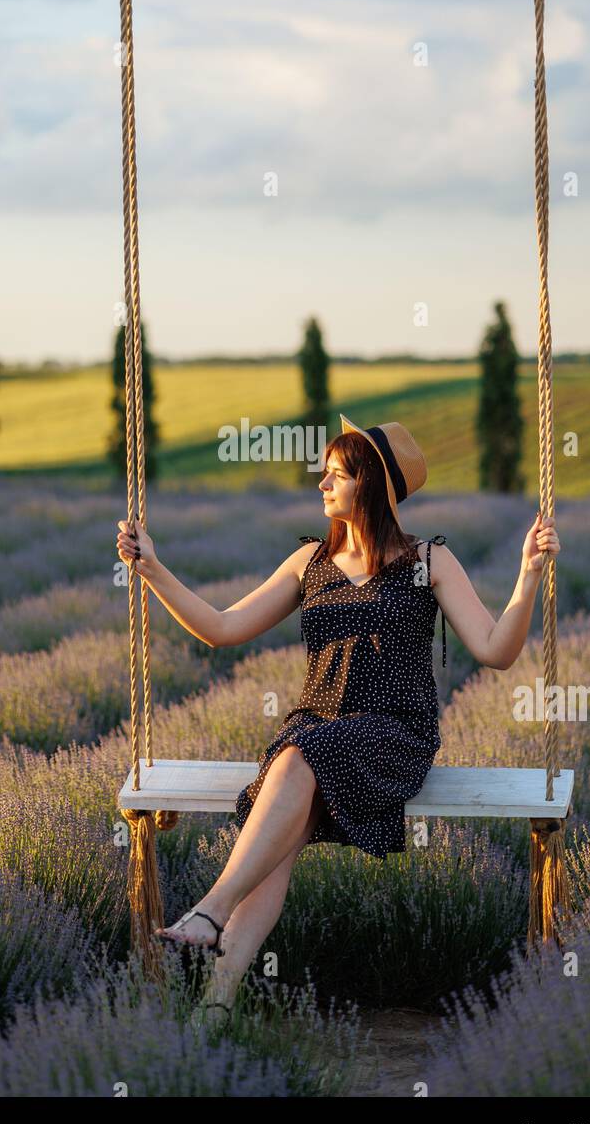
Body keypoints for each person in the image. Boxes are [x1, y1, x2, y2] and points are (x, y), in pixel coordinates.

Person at [116, 412, 560, 1027]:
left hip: (391, 734)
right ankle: (215, 1009)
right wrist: (151, 569)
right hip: (316, 728)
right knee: (284, 817)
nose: (321, 485)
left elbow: (496, 650)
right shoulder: (310, 561)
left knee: (299, 760)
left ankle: (211, 911)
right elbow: (221, 628)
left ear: (371, 486)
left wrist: (529, 575)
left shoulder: (427, 562)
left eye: (335, 475)